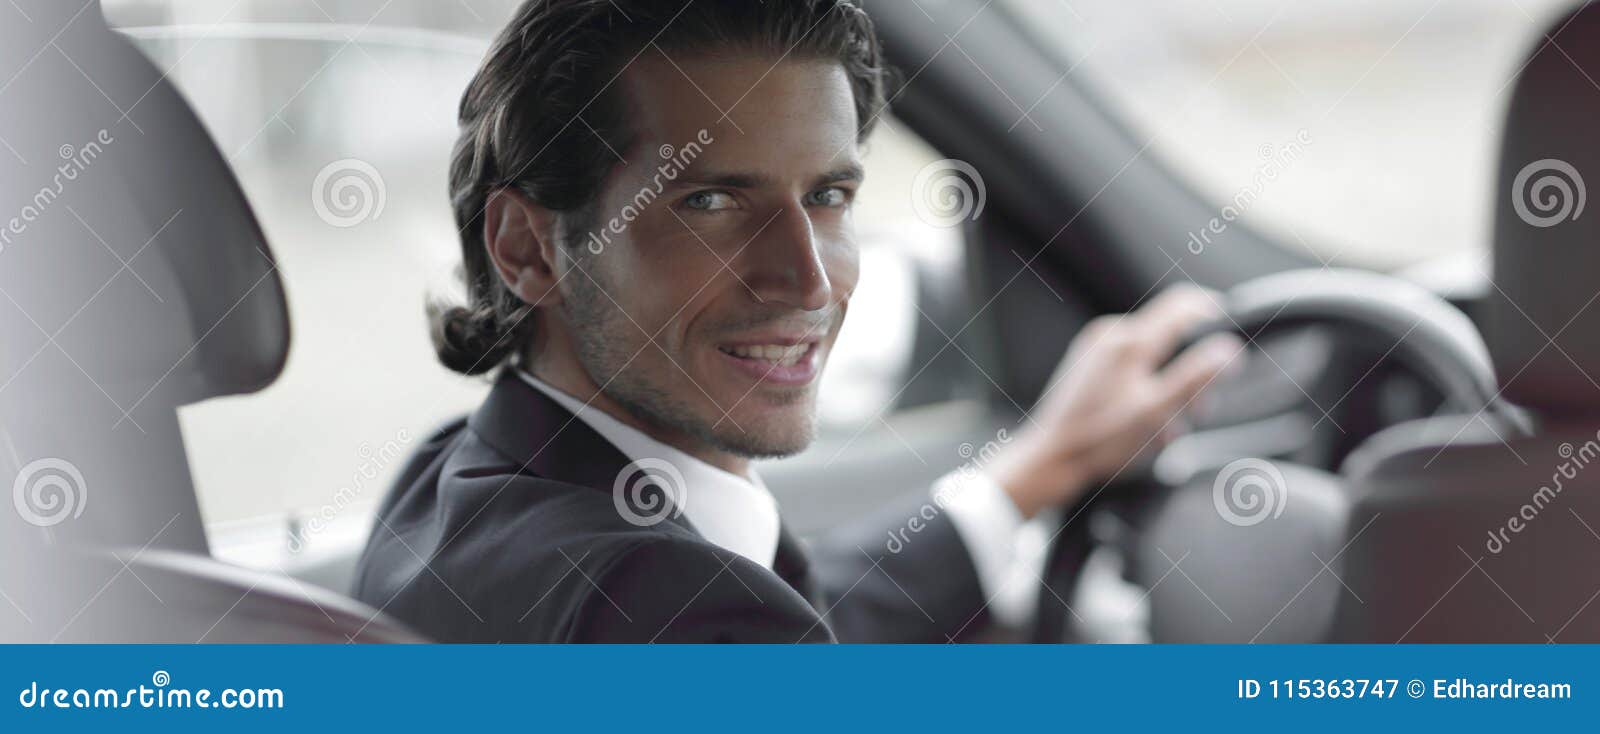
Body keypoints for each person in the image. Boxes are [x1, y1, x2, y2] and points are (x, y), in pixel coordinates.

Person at [352, 0, 1240, 642]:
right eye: (710, 203)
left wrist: (1042, 466)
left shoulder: (456, 481)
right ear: (529, 250)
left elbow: (805, 623)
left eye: (828, 196)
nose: (809, 280)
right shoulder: (675, 612)